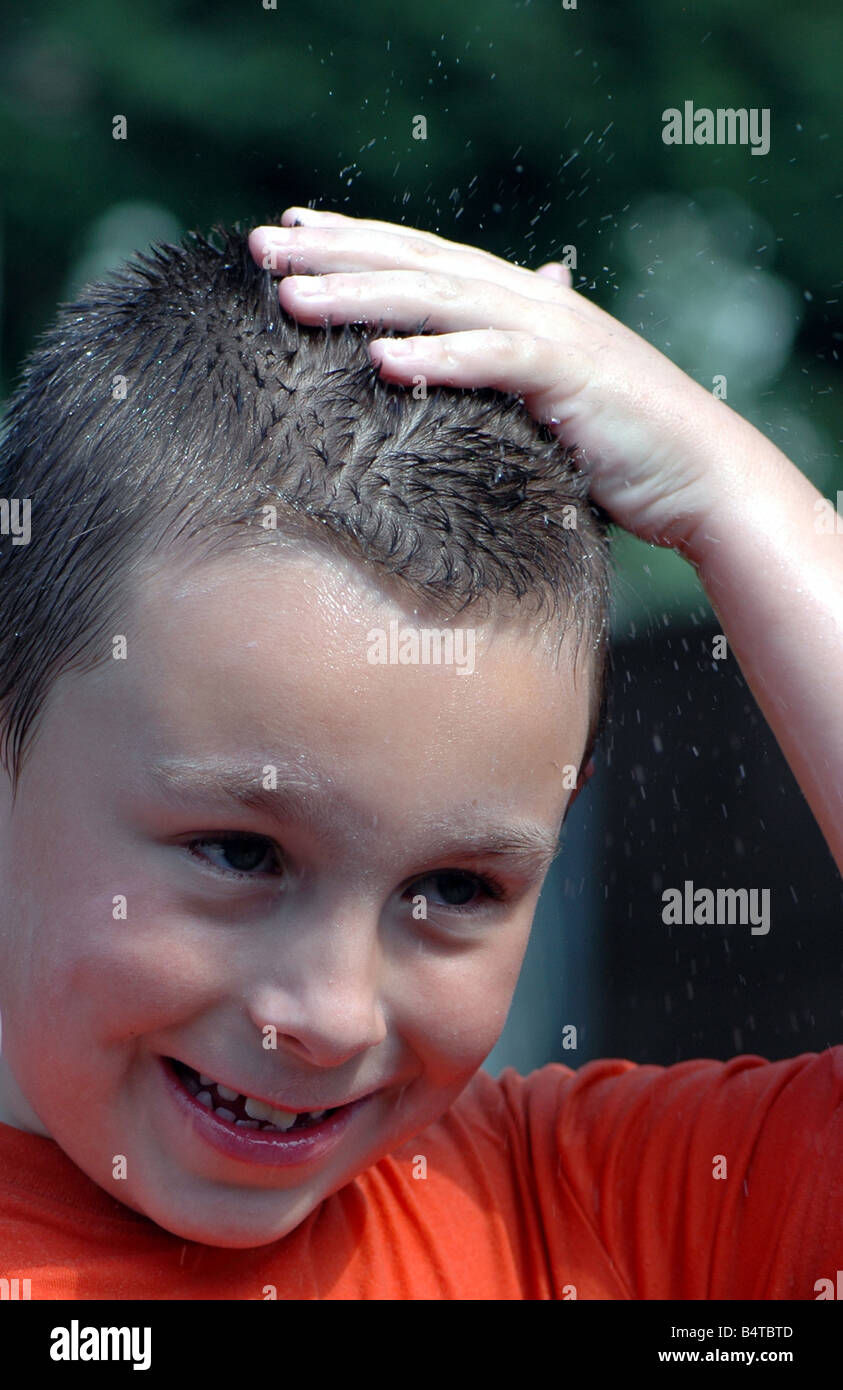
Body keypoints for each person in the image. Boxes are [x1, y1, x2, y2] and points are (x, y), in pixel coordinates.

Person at [0, 208, 839, 1300]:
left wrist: (729, 492)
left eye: (457, 886)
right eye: (241, 854)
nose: (331, 1013)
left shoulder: (578, 1218)